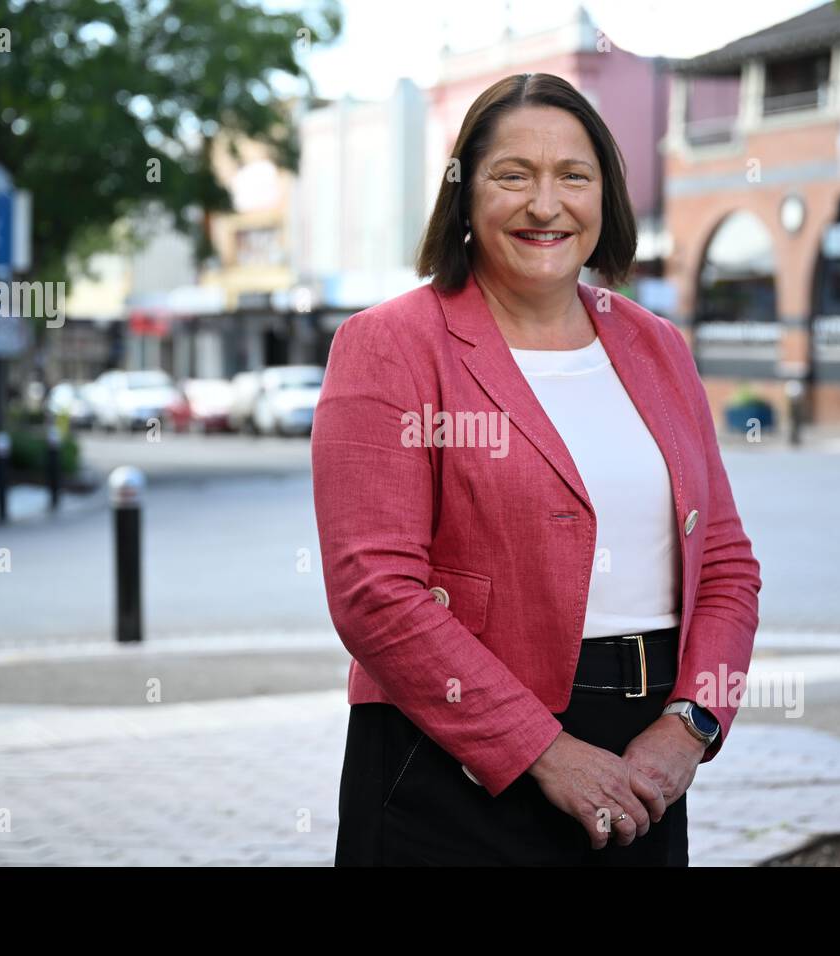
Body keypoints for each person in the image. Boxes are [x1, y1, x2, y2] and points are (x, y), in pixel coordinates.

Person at [311, 73, 761, 867]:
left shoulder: (658, 345)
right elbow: (372, 591)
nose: (544, 205)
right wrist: (544, 751)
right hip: (447, 765)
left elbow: (725, 563)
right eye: (512, 175)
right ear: (464, 195)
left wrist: (692, 724)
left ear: (605, 197)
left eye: (573, 177)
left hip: (645, 766)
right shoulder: (390, 345)